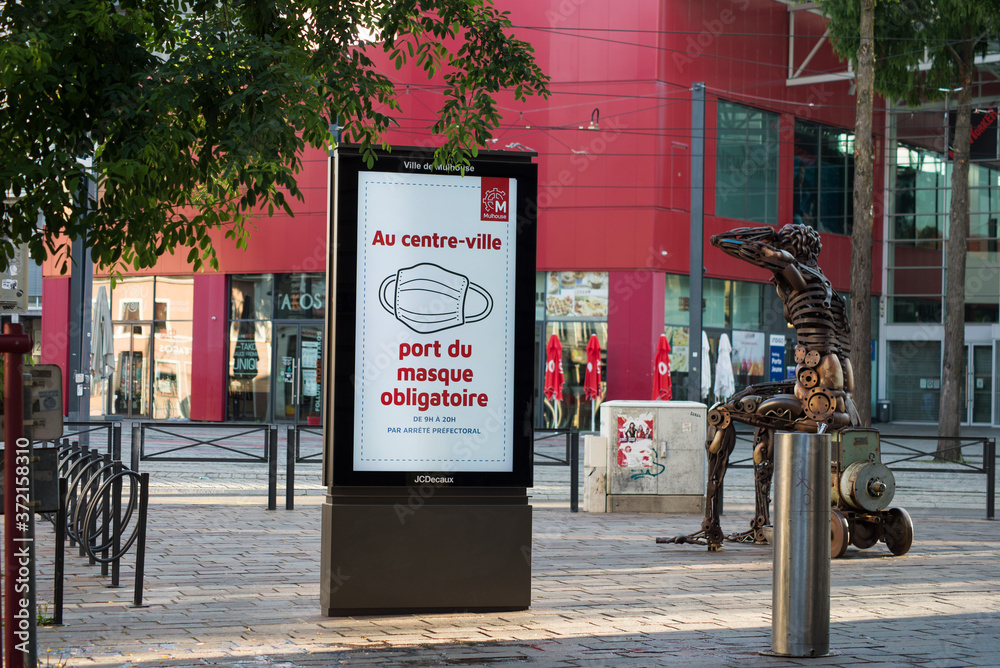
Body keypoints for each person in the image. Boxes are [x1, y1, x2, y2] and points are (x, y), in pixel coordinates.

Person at [661, 223, 860, 550]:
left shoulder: (796, 273)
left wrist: (767, 235)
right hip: (837, 393)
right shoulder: (828, 290)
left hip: (814, 393)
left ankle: (712, 526)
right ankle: (759, 521)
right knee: (748, 402)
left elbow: (724, 241)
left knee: (720, 413)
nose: (773, 280)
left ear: (789, 247)